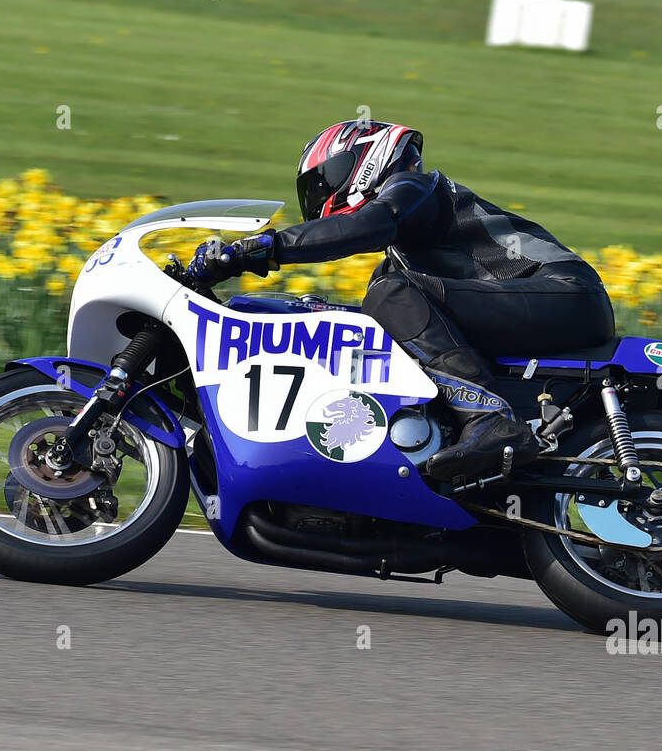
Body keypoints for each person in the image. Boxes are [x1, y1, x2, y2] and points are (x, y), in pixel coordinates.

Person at [186, 120, 616, 481]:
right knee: (375, 309)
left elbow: (370, 224)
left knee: (389, 295)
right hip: (543, 304)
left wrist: (255, 249)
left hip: (565, 294)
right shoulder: (400, 264)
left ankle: (490, 420)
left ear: (363, 159)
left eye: (326, 181)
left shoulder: (416, 187)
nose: (319, 201)